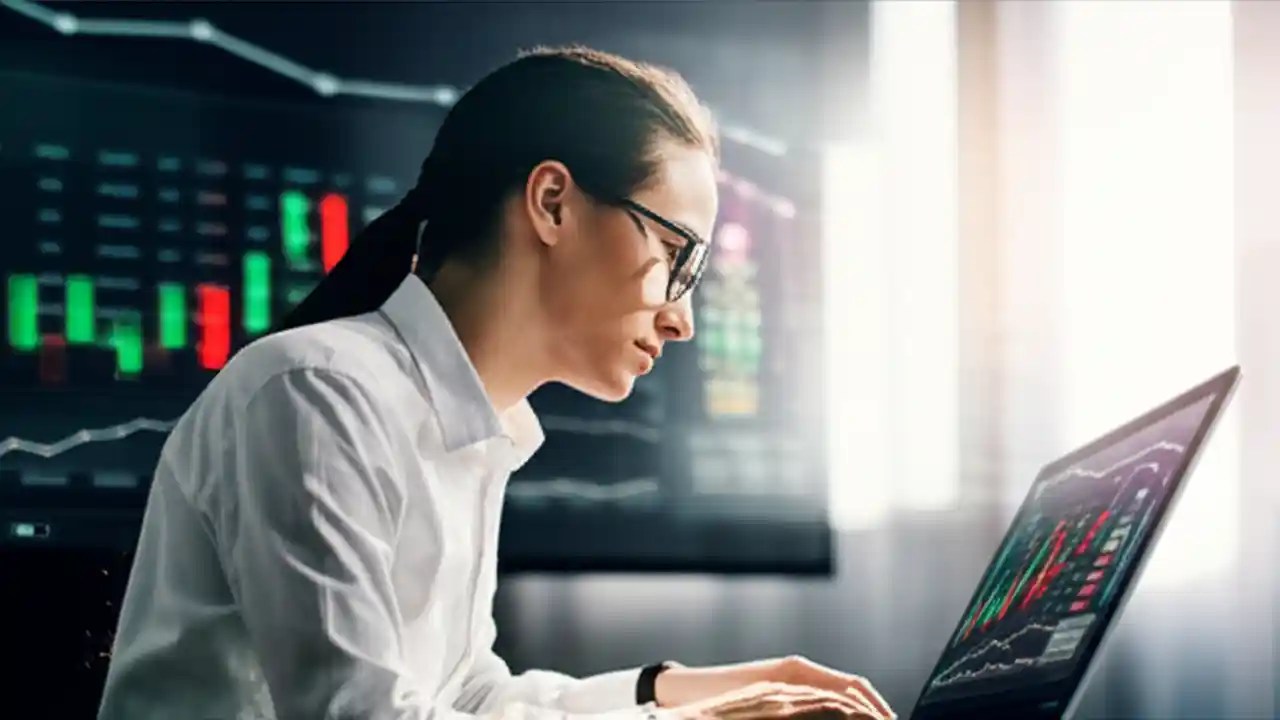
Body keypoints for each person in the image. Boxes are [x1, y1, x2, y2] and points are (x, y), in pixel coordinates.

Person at [97, 45, 895, 720]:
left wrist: (679, 690)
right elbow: (360, 711)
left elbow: (470, 694)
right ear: (552, 203)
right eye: (678, 257)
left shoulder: (475, 426)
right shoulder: (315, 390)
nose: (682, 318)